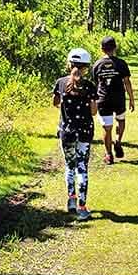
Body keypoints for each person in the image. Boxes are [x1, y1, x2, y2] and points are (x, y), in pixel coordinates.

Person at [53, 48, 97, 221]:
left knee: (69, 166)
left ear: (69, 64)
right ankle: (82, 207)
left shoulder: (61, 83)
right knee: (82, 168)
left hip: (67, 130)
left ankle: (71, 200)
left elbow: (55, 102)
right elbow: (94, 111)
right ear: (86, 67)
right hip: (85, 131)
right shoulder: (89, 86)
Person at [92, 36, 135, 165]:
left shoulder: (97, 64)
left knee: (107, 127)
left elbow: (95, 84)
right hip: (119, 99)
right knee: (121, 120)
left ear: (101, 49)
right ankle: (118, 141)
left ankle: (109, 155)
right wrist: (132, 99)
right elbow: (127, 82)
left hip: (103, 99)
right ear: (115, 48)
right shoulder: (121, 63)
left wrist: (93, 101)